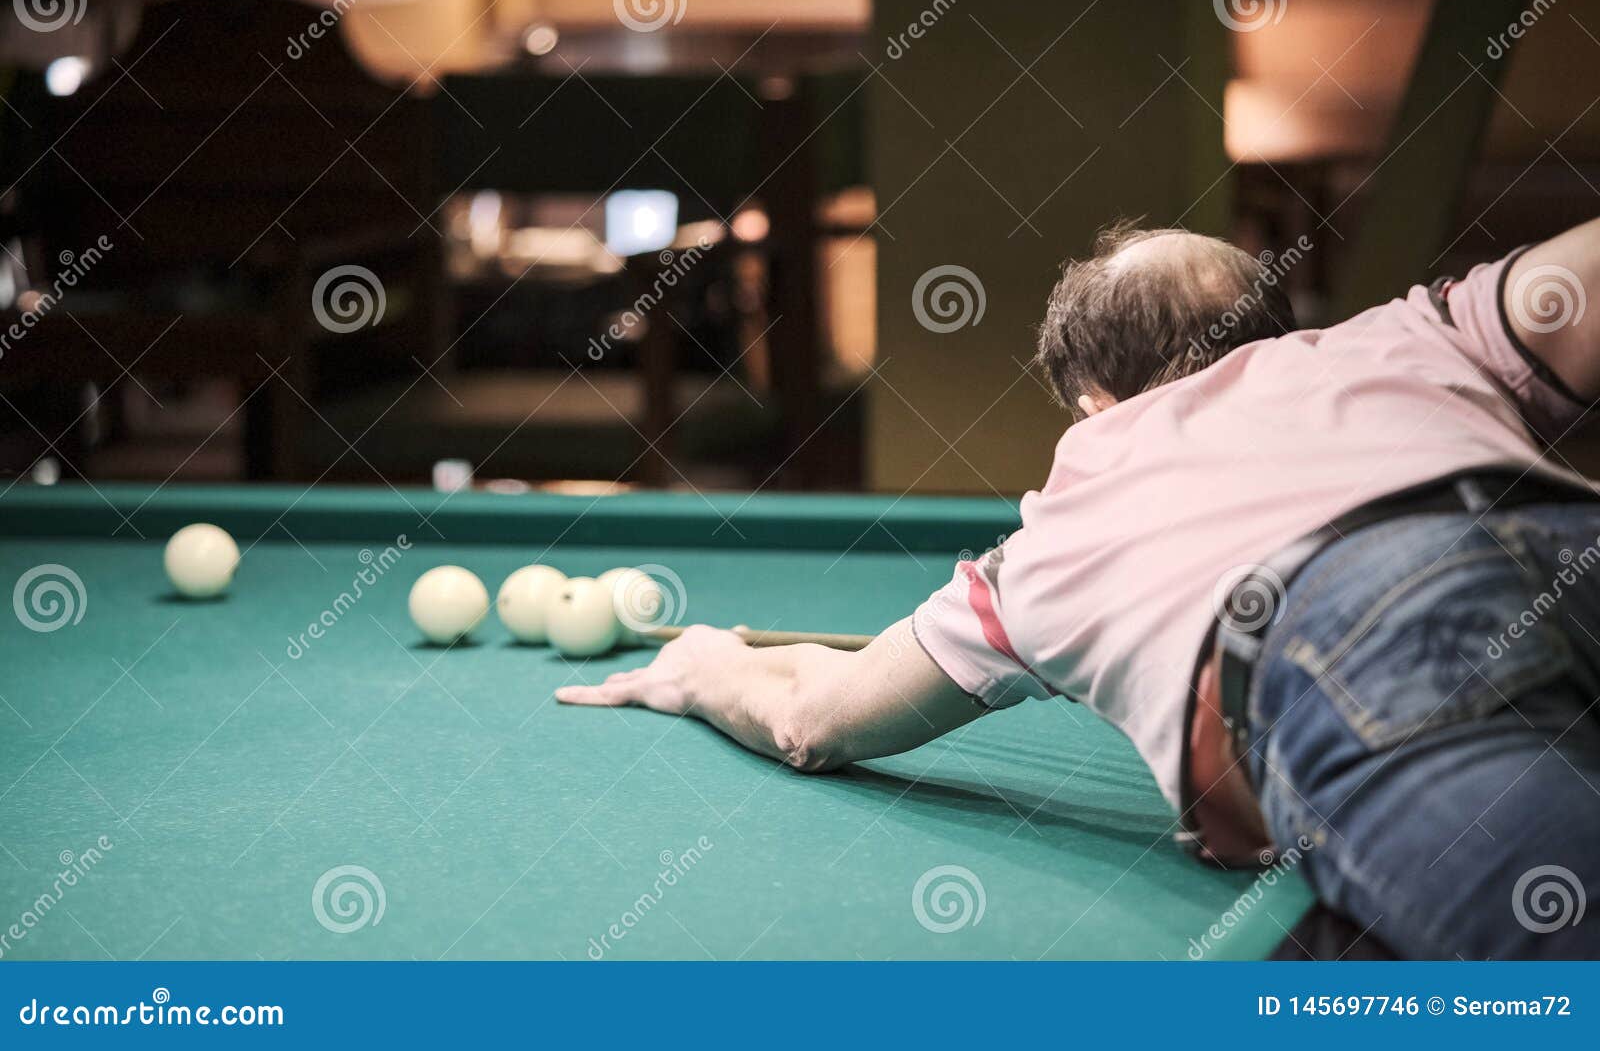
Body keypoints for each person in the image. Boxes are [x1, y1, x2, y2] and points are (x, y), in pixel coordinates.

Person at [557, 219, 1600, 959]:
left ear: (1092, 404)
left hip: (1360, 641)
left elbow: (810, 717)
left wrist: (704, 668)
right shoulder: (1410, 333)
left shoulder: (1058, 535)